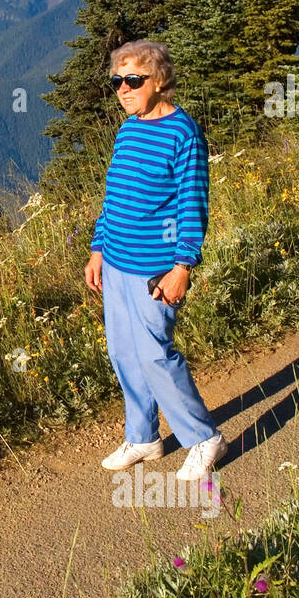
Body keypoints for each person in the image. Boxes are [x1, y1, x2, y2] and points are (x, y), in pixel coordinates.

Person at [83, 39, 227, 481]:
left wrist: (183, 266)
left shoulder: (184, 134)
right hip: (117, 264)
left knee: (154, 356)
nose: (123, 89)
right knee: (125, 354)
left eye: (133, 80)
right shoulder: (129, 130)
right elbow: (114, 198)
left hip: (156, 270)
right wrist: (97, 248)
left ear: (159, 80)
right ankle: (144, 437)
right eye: (117, 81)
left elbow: (192, 205)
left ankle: (203, 437)